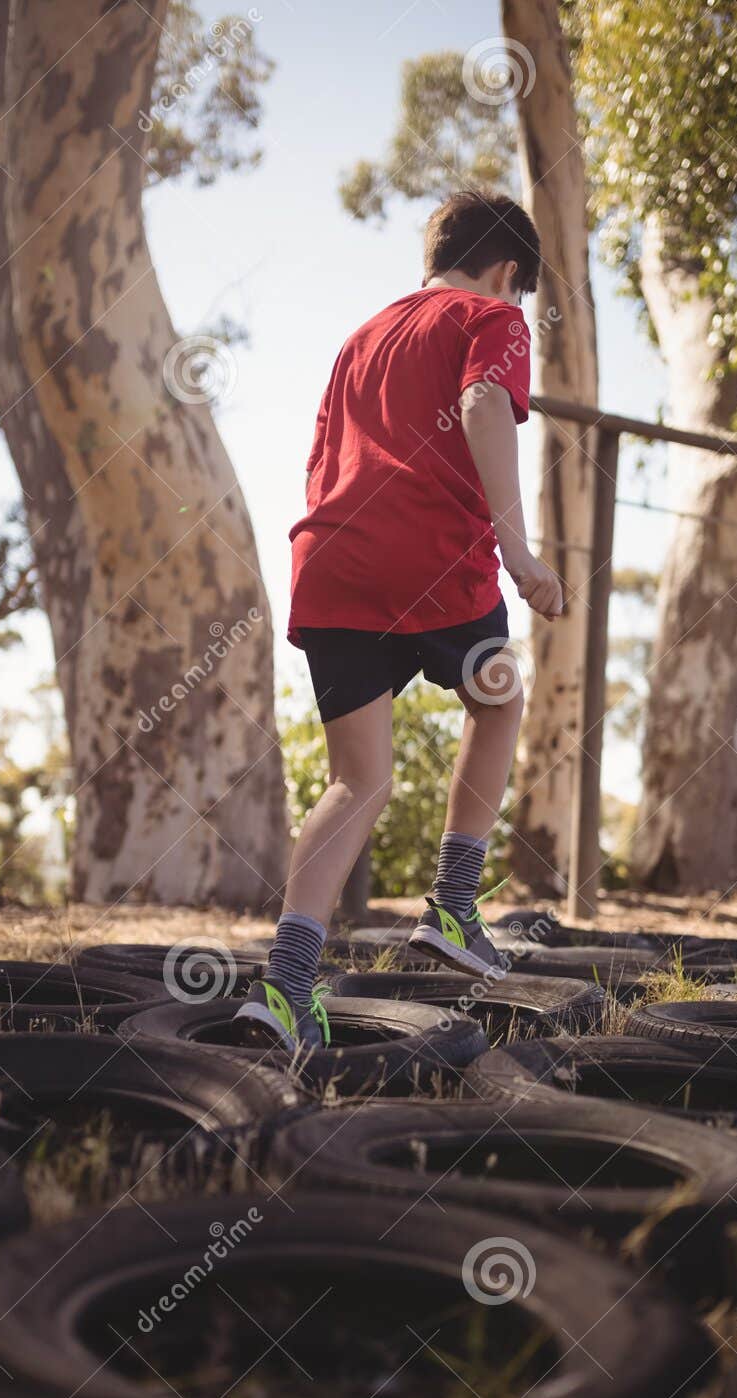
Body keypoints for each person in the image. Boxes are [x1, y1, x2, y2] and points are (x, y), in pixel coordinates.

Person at [236, 188, 563, 1051]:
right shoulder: (491, 318)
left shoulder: (361, 336)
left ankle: (284, 989)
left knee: (358, 782)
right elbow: (485, 404)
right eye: (517, 290)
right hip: (430, 558)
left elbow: (324, 458)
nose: (515, 305)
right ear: (506, 272)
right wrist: (520, 552)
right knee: (498, 701)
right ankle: (454, 909)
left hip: (333, 561)